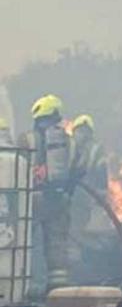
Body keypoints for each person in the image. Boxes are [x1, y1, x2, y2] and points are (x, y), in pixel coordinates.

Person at [21, 95, 73, 291]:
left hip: (31, 198)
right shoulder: (69, 142)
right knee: (57, 242)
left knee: (24, 240)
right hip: (59, 198)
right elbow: (77, 168)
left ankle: (22, 283)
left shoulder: (26, 139)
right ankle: (58, 287)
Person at [68, 114, 108, 234]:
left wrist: (101, 197)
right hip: (74, 195)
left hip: (81, 196)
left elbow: (101, 173)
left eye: (85, 131)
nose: (83, 134)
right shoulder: (67, 145)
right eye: (80, 131)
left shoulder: (95, 149)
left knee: (74, 230)